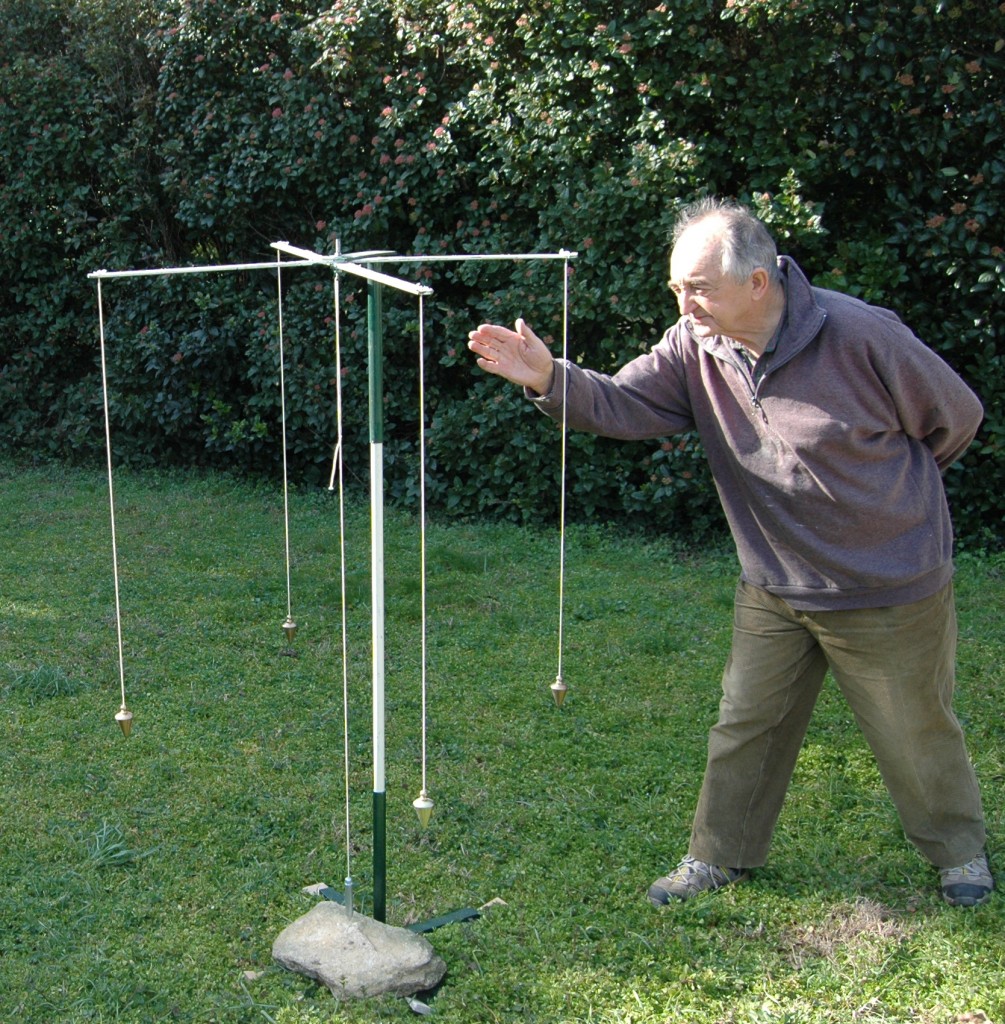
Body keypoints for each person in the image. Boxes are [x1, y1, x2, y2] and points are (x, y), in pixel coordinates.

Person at [467, 197, 994, 908]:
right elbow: (625, 402)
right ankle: (720, 856)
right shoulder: (695, 344)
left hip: (886, 583)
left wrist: (885, 513)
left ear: (758, 280)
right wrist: (548, 377)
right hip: (774, 581)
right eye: (676, 289)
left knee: (913, 729)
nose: (685, 303)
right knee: (746, 720)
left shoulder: (862, 335)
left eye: (698, 288)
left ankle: (958, 856)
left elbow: (953, 419)